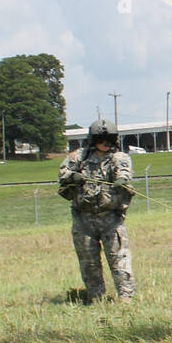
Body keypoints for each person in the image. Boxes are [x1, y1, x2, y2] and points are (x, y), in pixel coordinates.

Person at [58, 119, 135, 303]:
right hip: (83, 220)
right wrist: (73, 176)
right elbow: (63, 173)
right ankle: (96, 298)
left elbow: (124, 172)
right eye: (101, 139)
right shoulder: (78, 157)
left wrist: (122, 180)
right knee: (89, 263)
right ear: (93, 140)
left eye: (109, 139)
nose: (105, 143)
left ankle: (126, 298)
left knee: (119, 260)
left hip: (111, 219)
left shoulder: (119, 158)